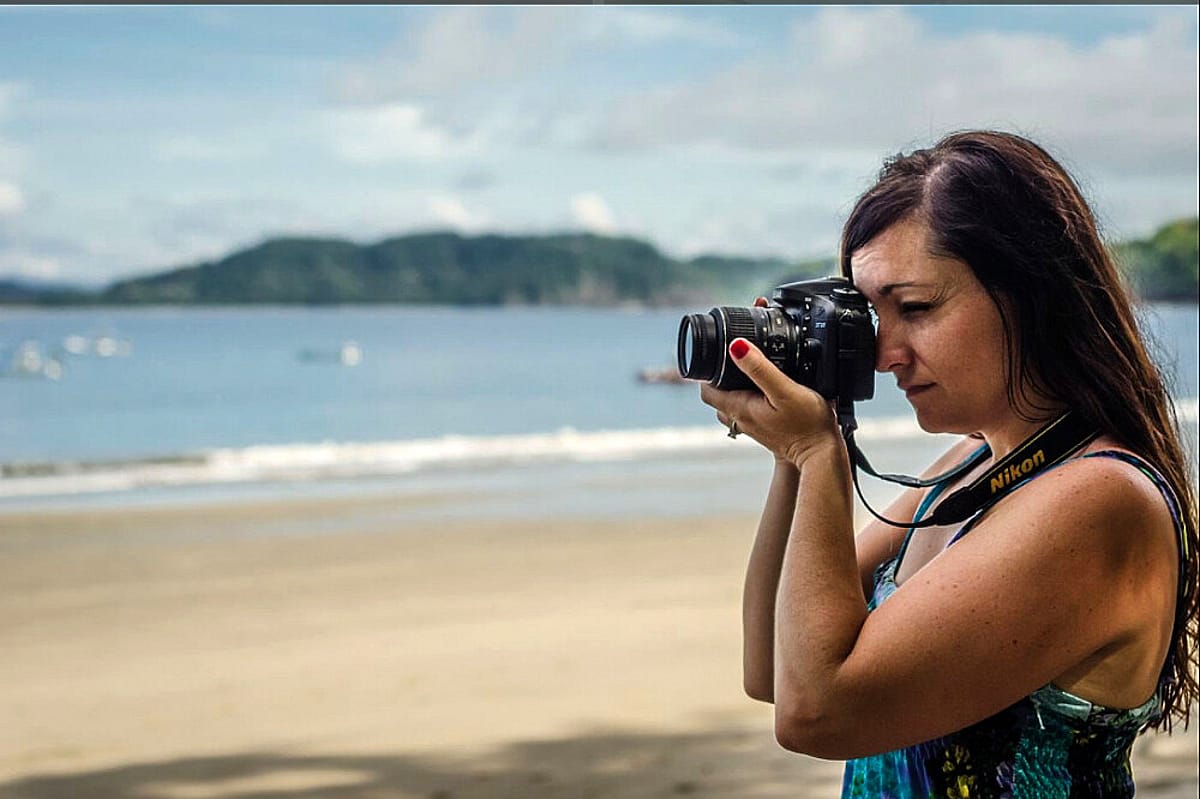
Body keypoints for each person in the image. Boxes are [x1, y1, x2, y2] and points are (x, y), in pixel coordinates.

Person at [699, 130, 1198, 798]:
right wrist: (793, 457)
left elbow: (817, 710)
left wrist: (819, 452)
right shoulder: (970, 468)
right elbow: (772, 664)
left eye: (916, 308)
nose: (886, 354)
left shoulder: (1100, 498)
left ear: (1029, 293)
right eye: (873, 318)